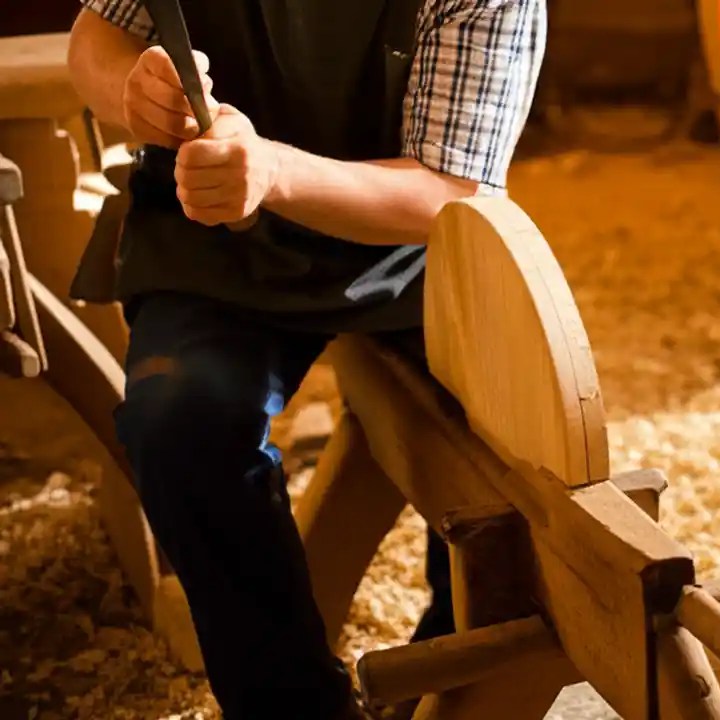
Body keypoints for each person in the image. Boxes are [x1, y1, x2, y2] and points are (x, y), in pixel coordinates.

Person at [64, 0, 545, 717]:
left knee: (508, 458)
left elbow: (447, 189)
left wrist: (275, 173)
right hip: (212, 235)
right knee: (179, 423)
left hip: (409, 250)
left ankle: (445, 670)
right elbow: (96, 39)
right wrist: (133, 93)